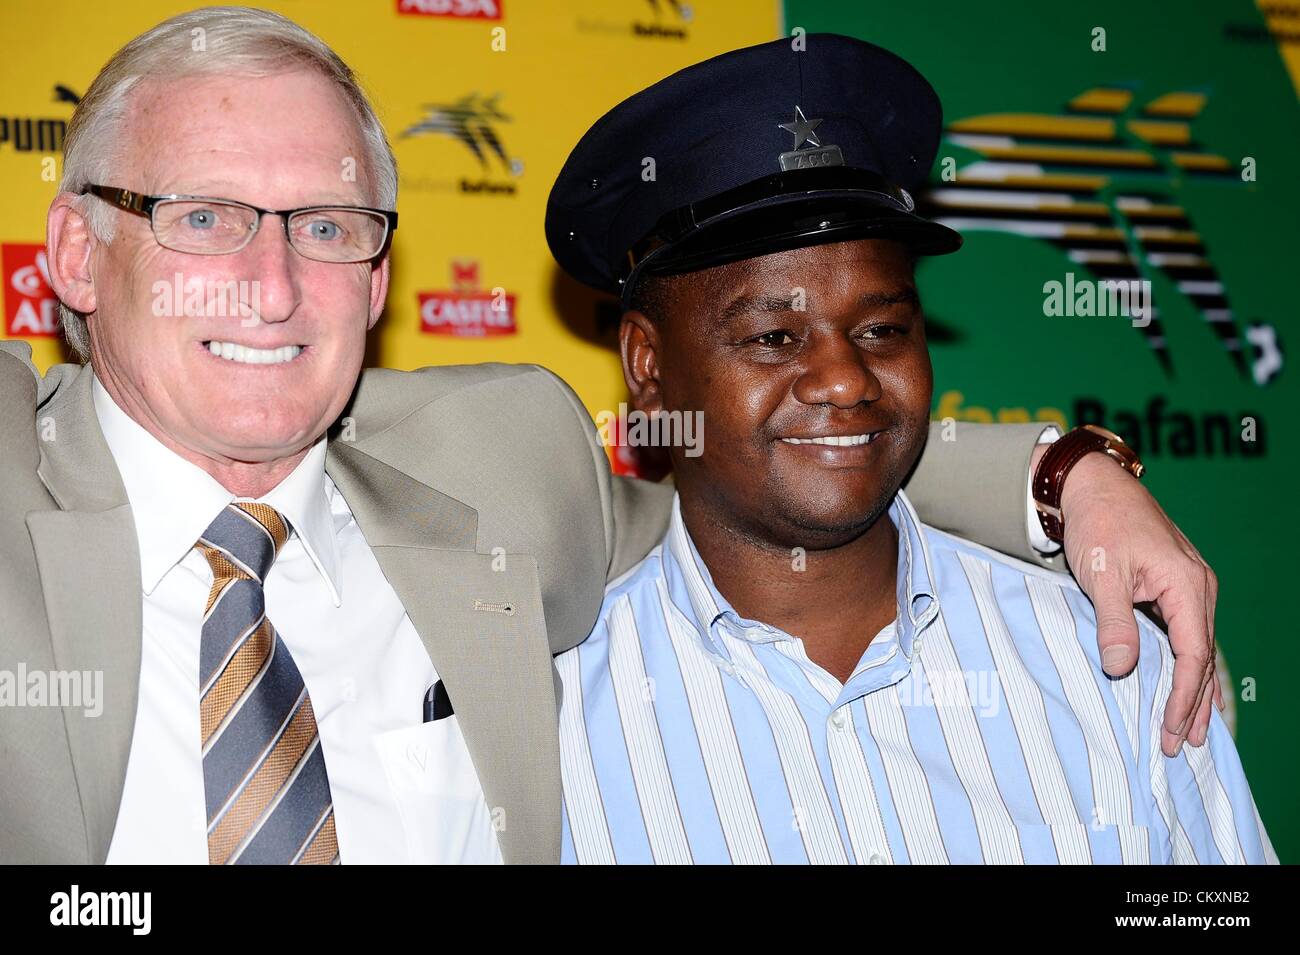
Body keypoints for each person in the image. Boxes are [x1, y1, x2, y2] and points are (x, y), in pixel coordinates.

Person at [0, 8, 1218, 865]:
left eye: (325, 226)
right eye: (203, 216)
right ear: (73, 256)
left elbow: (766, 469)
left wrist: (1065, 473)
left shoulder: (503, 478)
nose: (269, 286)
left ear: (376, 277)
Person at [547, 33, 1273, 864]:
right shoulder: (543, 731)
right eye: (774, 336)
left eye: (881, 328)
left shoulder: (1108, 662)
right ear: (647, 364)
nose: (844, 378)